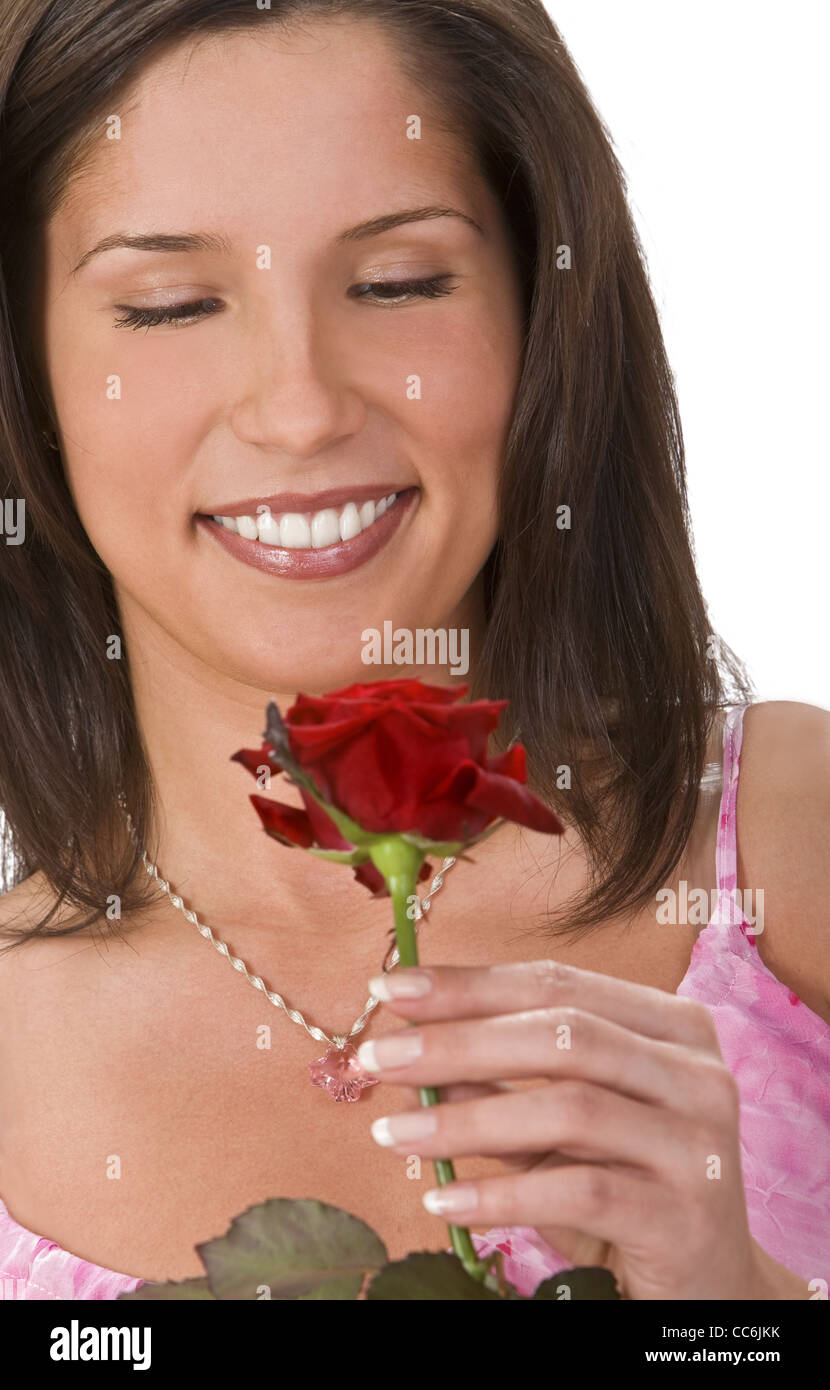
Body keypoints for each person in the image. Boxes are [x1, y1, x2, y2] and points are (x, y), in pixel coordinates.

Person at [0, 0, 826, 1302]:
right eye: (165, 305)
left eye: (397, 282)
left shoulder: (788, 833)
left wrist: (736, 1309)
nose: (299, 407)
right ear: (27, 375)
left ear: (542, 318)